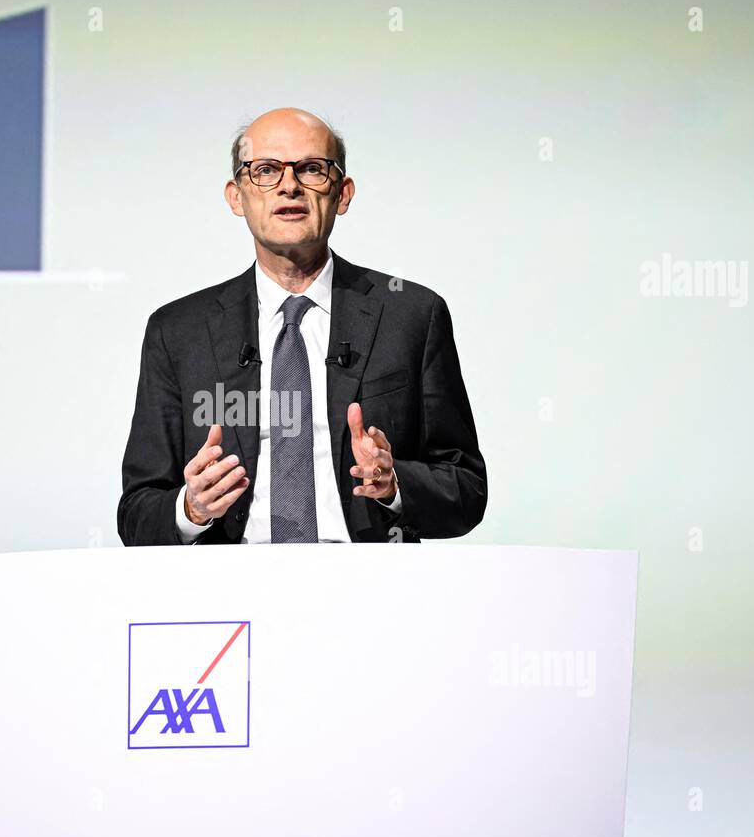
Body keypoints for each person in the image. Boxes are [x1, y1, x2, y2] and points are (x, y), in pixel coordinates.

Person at [118, 107, 486, 545]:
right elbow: (137, 514)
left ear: (343, 194)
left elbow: (466, 489)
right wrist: (191, 508)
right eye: (266, 170)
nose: (289, 185)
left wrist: (395, 485)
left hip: (372, 586)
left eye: (312, 169)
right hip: (232, 592)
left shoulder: (412, 316)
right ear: (236, 197)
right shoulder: (178, 331)